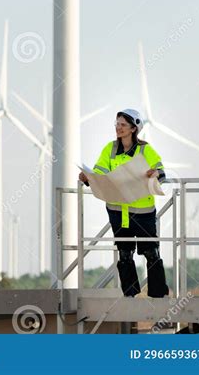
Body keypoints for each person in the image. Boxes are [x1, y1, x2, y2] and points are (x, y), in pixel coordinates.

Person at [79, 108, 169, 298]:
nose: (118, 128)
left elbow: (161, 172)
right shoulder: (109, 149)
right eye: (117, 124)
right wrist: (87, 178)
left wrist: (155, 174)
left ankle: (158, 294)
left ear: (133, 128)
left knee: (151, 252)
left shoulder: (145, 150)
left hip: (143, 212)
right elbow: (99, 175)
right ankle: (130, 296)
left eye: (123, 125)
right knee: (124, 255)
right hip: (118, 211)